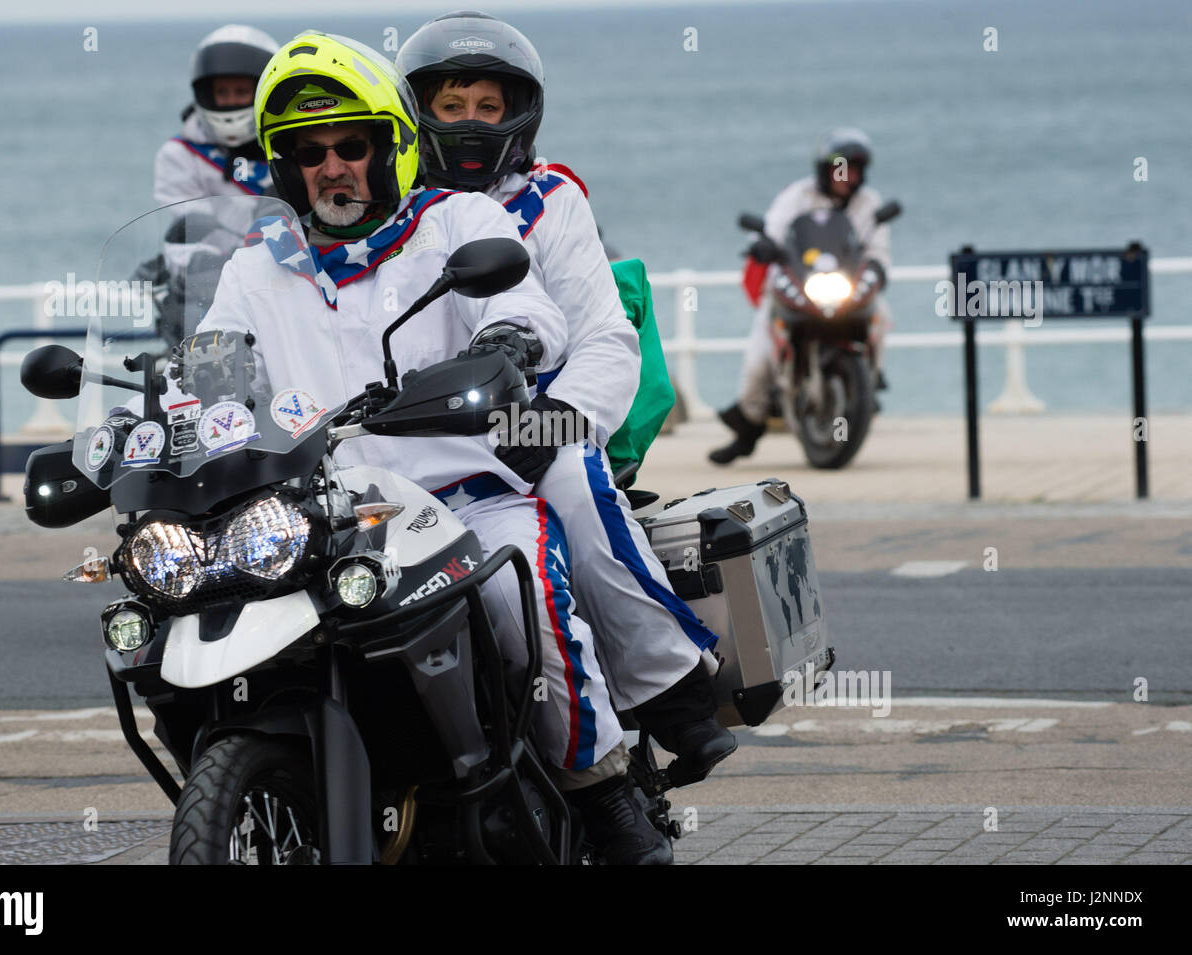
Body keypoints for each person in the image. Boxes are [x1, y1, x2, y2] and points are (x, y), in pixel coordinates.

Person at [196, 31, 671, 863]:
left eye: (353, 145)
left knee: (525, 610)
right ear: (283, 166)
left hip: (466, 497)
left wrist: (510, 347)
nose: (333, 166)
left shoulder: (457, 220)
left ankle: (604, 792)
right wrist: (167, 418)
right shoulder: (254, 268)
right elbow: (212, 375)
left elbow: (528, 309)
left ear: (390, 147)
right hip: (331, 522)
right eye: (308, 152)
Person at [396, 12, 736, 788]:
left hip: (532, 420)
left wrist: (558, 419)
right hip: (414, 440)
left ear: (520, 113)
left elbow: (607, 340)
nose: (472, 122)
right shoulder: (395, 212)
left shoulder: (551, 201)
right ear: (420, 112)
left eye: (488, 105)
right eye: (453, 107)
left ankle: (670, 686)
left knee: (575, 485)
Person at [710, 127, 892, 464]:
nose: (847, 176)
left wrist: (878, 270)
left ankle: (870, 376)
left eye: (854, 168)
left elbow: (879, 251)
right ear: (825, 168)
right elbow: (774, 230)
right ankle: (748, 429)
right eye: (841, 167)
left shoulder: (870, 203)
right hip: (796, 284)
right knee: (758, 359)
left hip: (844, 287)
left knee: (883, 316)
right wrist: (763, 245)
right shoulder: (797, 195)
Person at [153, 25, 281, 206]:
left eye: (241, 91)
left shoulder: (286, 147)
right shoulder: (181, 153)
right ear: (206, 94)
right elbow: (184, 217)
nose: (231, 100)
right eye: (222, 92)